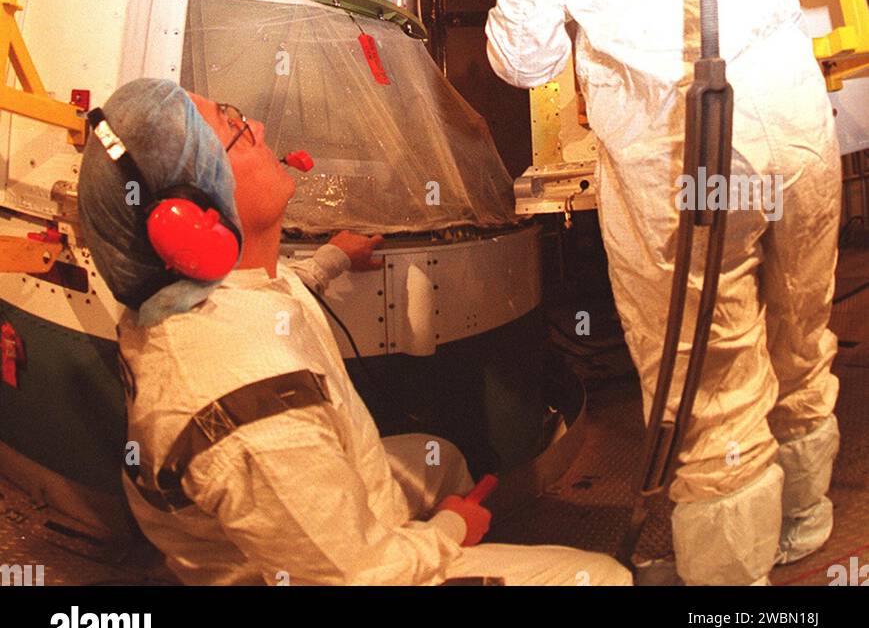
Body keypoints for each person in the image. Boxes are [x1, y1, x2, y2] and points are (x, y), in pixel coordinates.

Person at [485, 0, 867, 587]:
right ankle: (805, 520)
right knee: (801, 328)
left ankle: (730, 591)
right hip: (791, 119)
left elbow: (520, 57)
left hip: (678, 146)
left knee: (708, 374)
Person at [77, 77, 631, 587]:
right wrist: (448, 531)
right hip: (328, 575)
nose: (260, 129)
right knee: (604, 578)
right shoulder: (247, 402)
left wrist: (333, 258)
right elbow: (357, 579)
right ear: (195, 222)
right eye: (234, 130)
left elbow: (280, 292)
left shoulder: (211, 290)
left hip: (316, 525)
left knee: (440, 459)